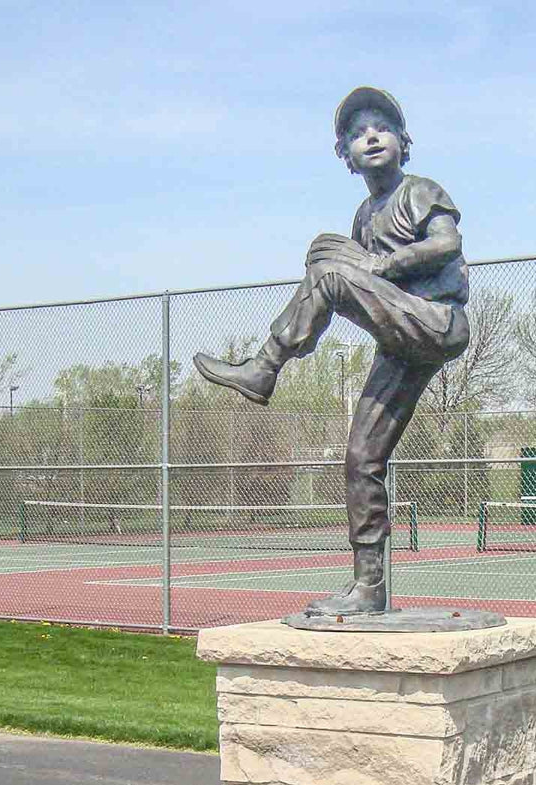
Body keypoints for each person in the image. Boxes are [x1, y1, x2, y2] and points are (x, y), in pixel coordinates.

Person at [193, 87, 470, 616]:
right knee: (361, 458)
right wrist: (359, 271)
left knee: (330, 271)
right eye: (357, 132)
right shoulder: (365, 215)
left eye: (382, 127)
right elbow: (357, 274)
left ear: (403, 143)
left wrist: (383, 267)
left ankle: (265, 365)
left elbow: (447, 244)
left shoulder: (419, 190)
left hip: (436, 320)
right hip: (401, 337)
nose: (370, 136)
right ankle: (370, 585)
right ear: (344, 155)